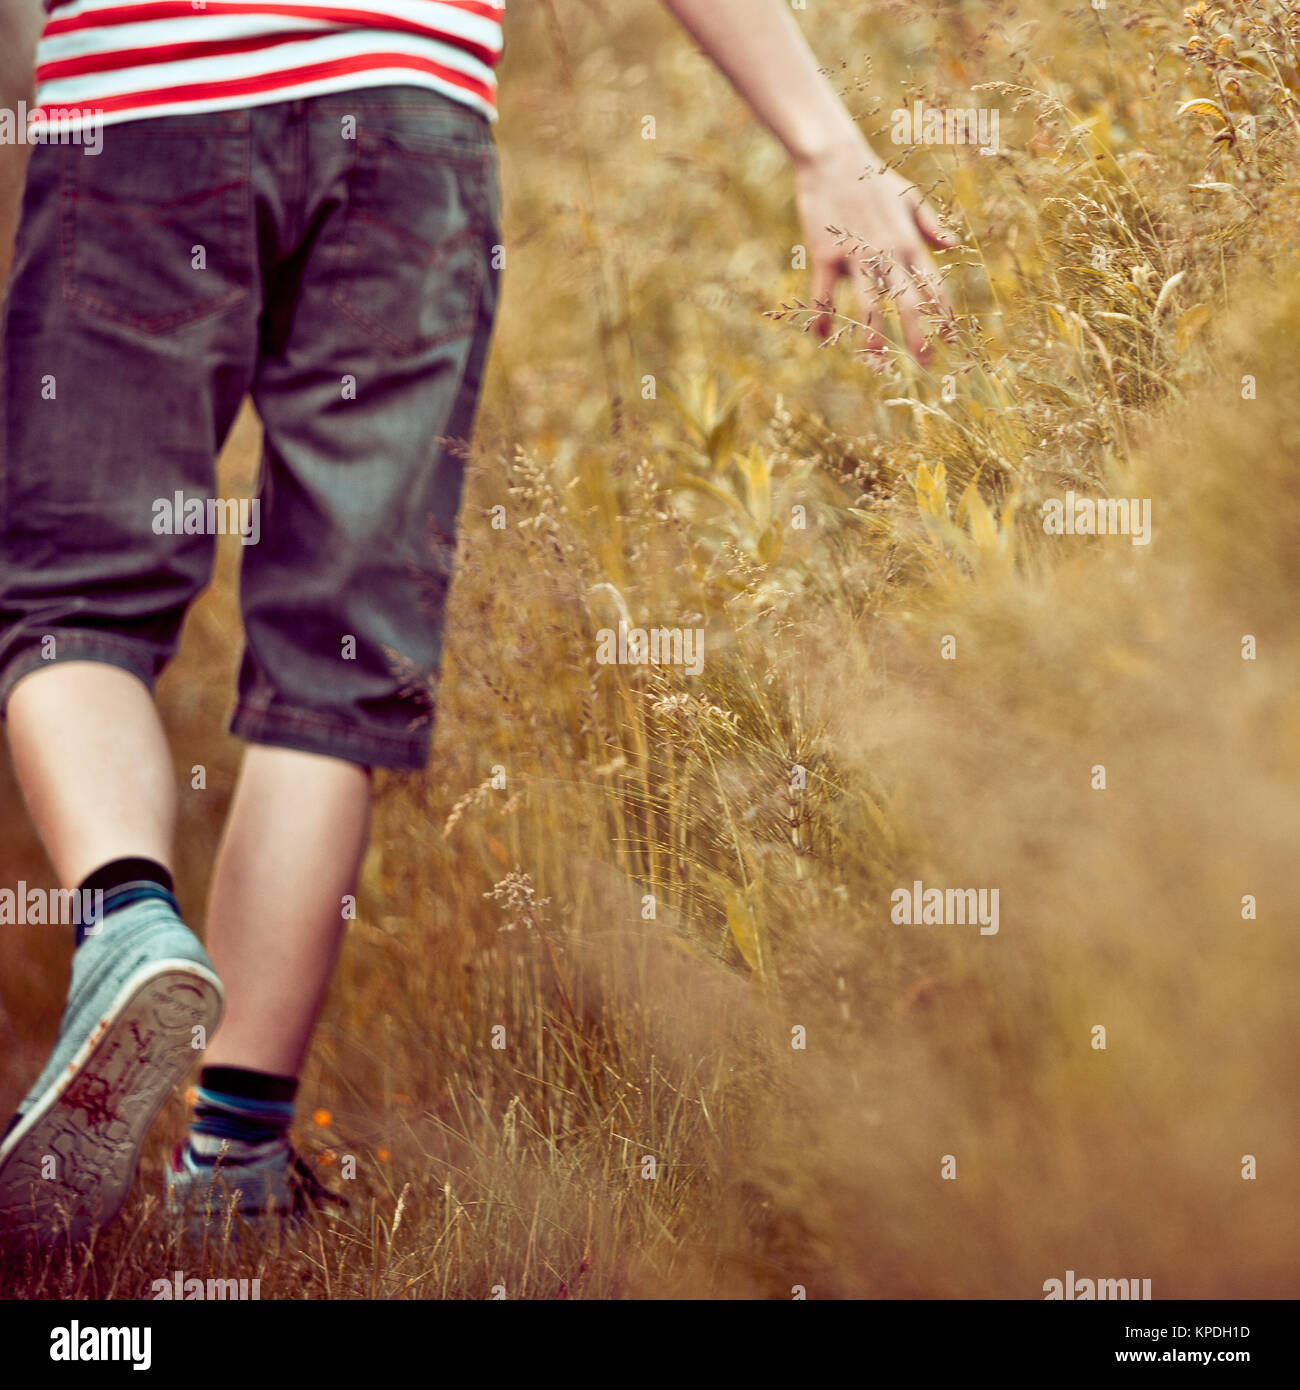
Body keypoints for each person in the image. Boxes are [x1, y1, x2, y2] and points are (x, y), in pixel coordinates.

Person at [0, 0, 954, 1240]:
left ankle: (126, 918)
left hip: (143, 109)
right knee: (339, 652)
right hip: (406, 116)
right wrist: (824, 141)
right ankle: (232, 1161)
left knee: (74, 599)